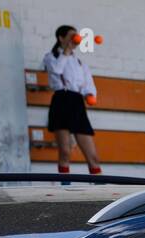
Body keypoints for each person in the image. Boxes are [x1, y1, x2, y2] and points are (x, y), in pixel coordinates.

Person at [44, 25, 102, 175]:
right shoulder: (51, 57)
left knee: (93, 156)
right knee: (65, 152)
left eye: (75, 36)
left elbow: (88, 82)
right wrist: (67, 51)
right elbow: (57, 70)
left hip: (77, 102)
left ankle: (99, 190)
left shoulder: (80, 62)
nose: (75, 39)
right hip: (61, 100)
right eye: (71, 36)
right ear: (61, 38)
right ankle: (65, 188)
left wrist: (90, 94)